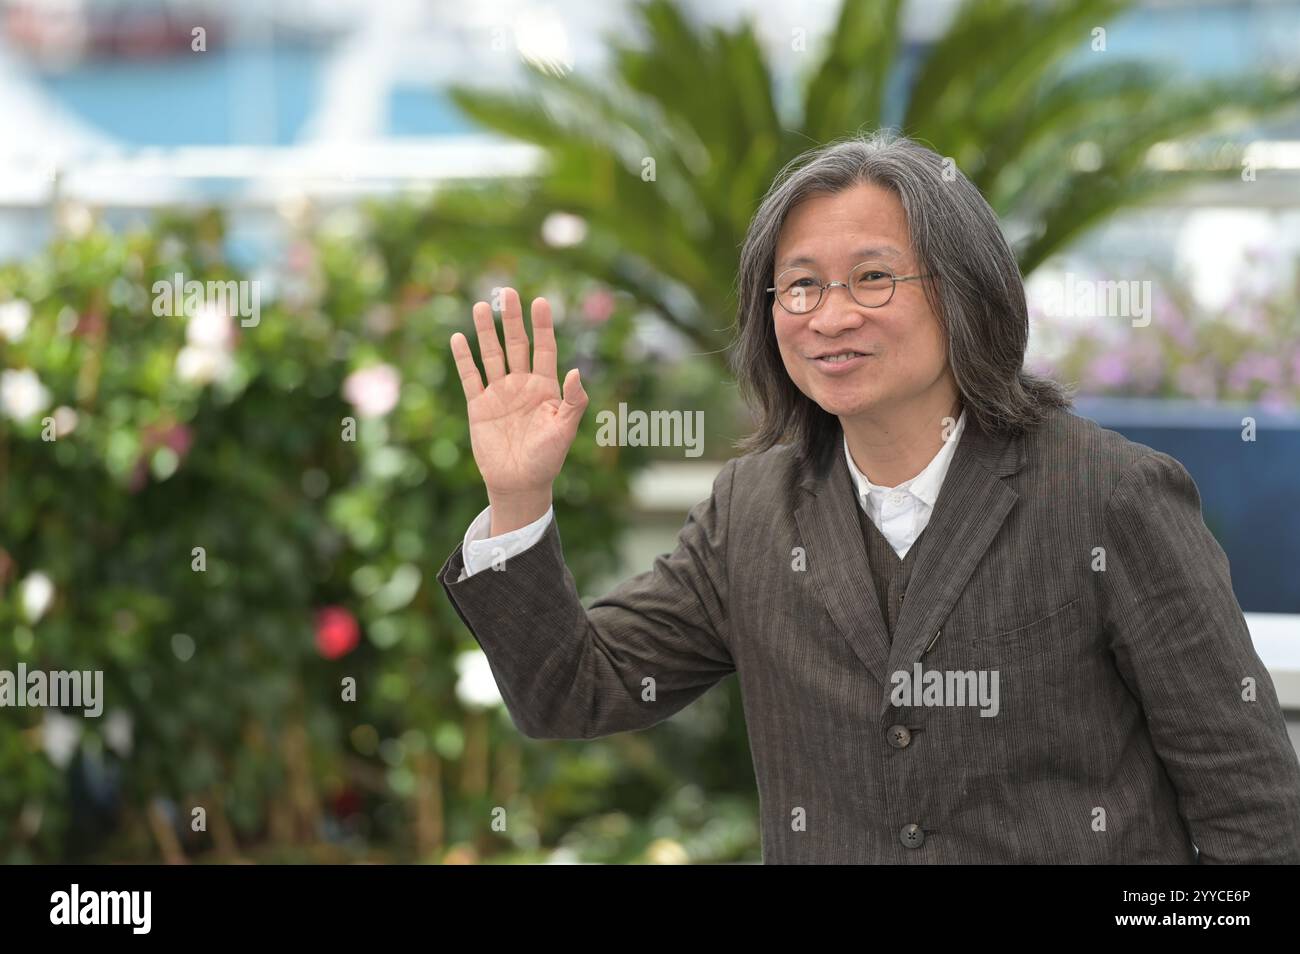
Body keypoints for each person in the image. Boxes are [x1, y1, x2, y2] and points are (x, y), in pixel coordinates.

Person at [438, 130, 1300, 863]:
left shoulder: (1109, 496)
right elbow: (574, 692)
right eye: (801, 285)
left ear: (964, 293)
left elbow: (1254, 812)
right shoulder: (751, 511)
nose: (830, 315)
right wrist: (518, 497)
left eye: (874, 278)